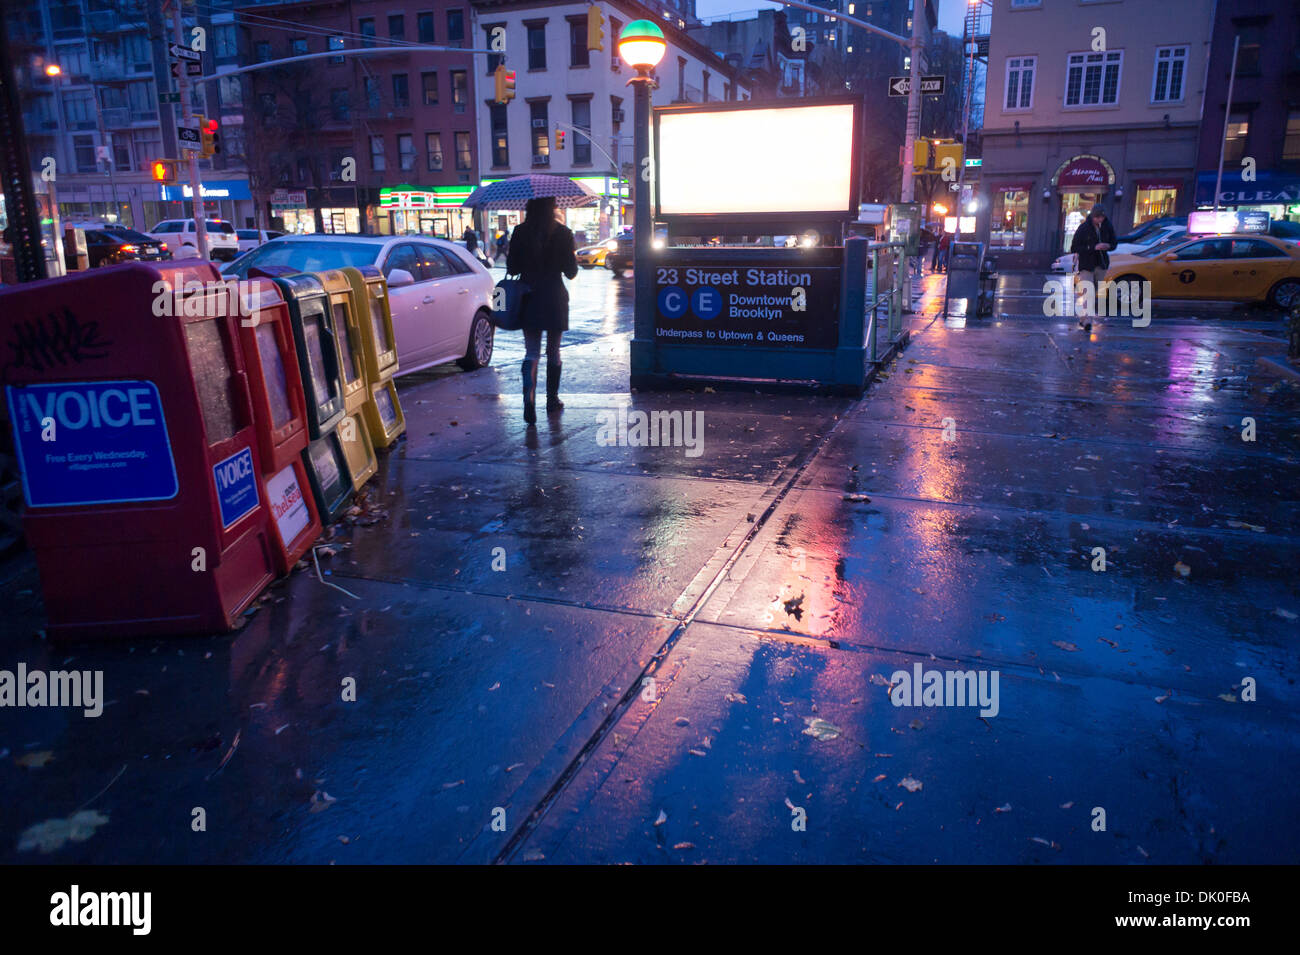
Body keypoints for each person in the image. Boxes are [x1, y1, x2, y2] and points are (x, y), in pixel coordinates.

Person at [506, 196, 577, 424]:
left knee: (532, 352)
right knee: (553, 351)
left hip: (528, 296)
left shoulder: (519, 232)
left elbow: (512, 267)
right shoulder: (564, 233)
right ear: (552, 209)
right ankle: (552, 399)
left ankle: (529, 398)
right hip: (554, 296)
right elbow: (571, 272)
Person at [1070, 204, 1116, 332]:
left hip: (1101, 264)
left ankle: (1083, 319)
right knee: (1088, 293)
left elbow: (1114, 243)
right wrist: (1092, 247)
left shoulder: (1107, 226)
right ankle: (1088, 322)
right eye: (1097, 218)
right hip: (1087, 265)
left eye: (1101, 217)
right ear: (1092, 217)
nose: (1099, 220)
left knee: (1092, 293)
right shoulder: (1084, 228)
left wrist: (1107, 246)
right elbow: (1074, 247)